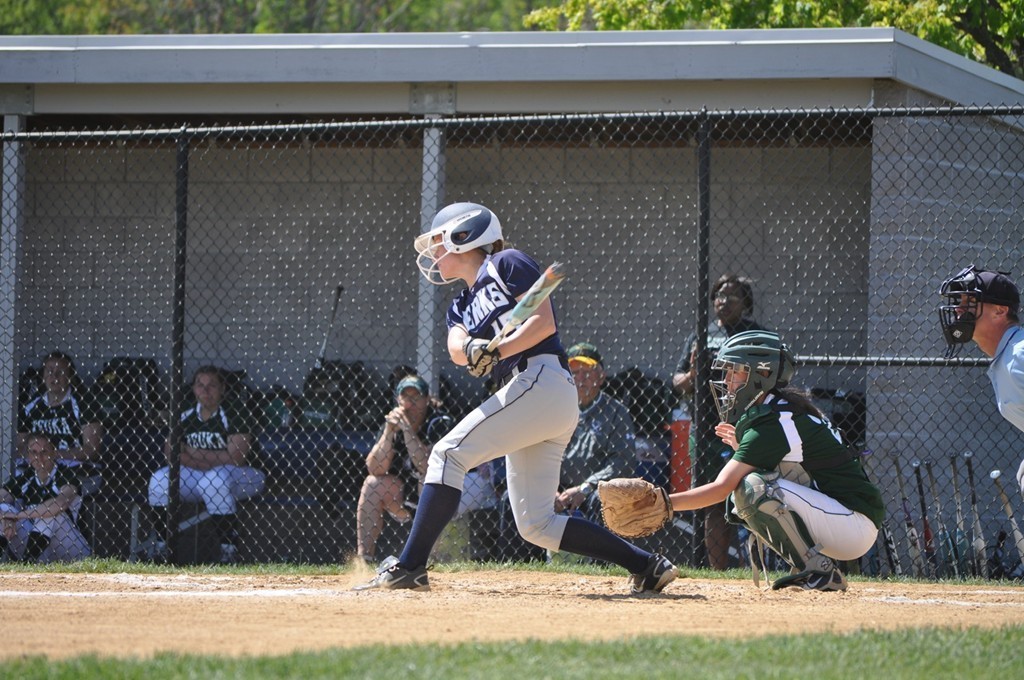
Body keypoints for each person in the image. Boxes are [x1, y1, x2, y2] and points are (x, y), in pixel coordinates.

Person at [355, 201, 677, 593]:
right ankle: (646, 565)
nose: (435, 252)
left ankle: (410, 566)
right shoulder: (460, 304)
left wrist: (497, 350)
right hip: (532, 397)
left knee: (447, 453)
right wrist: (475, 349)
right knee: (536, 524)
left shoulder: (507, 262)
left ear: (465, 236)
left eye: (440, 242)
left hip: (542, 378)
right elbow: (456, 346)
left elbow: (543, 323)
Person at [665, 330, 884, 591]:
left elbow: (721, 488)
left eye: (734, 371)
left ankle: (816, 570)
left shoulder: (774, 421)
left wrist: (664, 505)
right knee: (752, 484)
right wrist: (742, 446)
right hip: (842, 518)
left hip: (852, 524)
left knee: (751, 487)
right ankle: (810, 568)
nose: (726, 380)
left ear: (763, 374)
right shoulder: (778, 410)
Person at [671, 274, 767, 570]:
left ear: (746, 303)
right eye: (719, 296)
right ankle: (718, 570)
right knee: (713, 503)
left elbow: (767, 378)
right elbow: (677, 383)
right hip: (707, 430)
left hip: (745, 426)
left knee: (751, 498)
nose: (723, 302)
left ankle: (756, 568)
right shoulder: (702, 333)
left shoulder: (755, 334)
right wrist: (693, 373)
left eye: (731, 296)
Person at [147, 366, 265, 563]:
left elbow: (236, 458)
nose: (205, 391)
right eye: (200, 385)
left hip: (246, 475)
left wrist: (191, 453)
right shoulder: (185, 412)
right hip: (200, 475)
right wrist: (214, 456)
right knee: (159, 480)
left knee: (215, 480)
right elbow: (170, 453)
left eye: (212, 386)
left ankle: (229, 551)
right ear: (193, 389)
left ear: (223, 389)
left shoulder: (235, 411)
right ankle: (161, 548)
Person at [939, 265, 1024, 495]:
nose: (958, 310)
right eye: (959, 302)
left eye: (969, 303)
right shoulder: (1008, 356)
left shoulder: (1018, 355)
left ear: (999, 310)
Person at [356, 375, 456, 564]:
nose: (410, 404)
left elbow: (426, 466)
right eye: (405, 398)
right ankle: (364, 558)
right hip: (405, 492)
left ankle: (429, 560)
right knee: (372, 484)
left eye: (416, 397)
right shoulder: (393, 422)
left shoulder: (439, 421)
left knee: (426, 479)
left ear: (427, 400)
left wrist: (408, 431)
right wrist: (388, 433)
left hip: (444, 494)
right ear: (397, 400)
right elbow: (375, 468)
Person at [554, 342, 637, 524]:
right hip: (557, 490)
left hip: (593, 490)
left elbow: (624, 461)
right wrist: (549, 488)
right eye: (574, 373)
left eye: (587, 372)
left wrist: (585, 487)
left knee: (601, 501)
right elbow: (539, 454)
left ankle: (597, 553)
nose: (580, 379)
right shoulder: (555, 410)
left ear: (601, 377)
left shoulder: (616, 413)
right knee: (512, 497)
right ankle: (518, 554)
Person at [1, 434, 91, 563]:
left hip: (73, 550)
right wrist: (6, 516)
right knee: (4, 507)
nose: (39, 457)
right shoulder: (27, 478)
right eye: (34, 452)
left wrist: (18, 516)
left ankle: (28, 563)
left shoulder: (66, 475)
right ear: (28, 455)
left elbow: (59, 504)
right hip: (41, 550)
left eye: (44, 452)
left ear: (54, 453)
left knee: (50, 514)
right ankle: (27, 563)